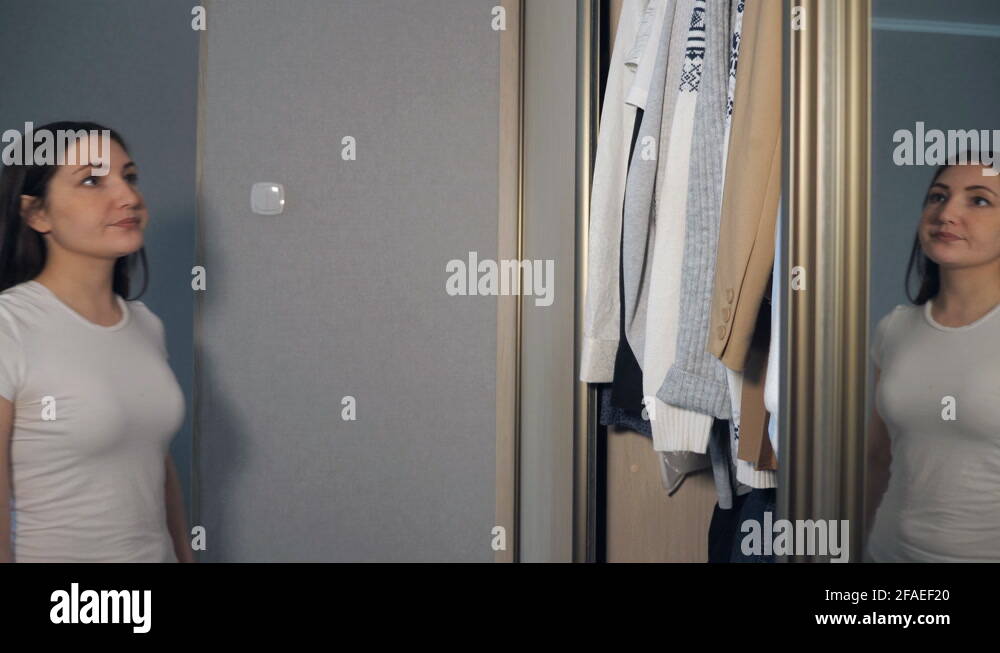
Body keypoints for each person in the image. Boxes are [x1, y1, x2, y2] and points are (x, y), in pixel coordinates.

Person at [0, 121, 191, 562]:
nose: (128, 196)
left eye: (129, 177)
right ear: (37, 214)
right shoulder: (10, 326)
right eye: (91, 180)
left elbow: (154, 468)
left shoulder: (146, 325)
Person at [865, 152, 1000, 562]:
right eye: (938, 197)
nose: (947, 212)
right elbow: (876, 459)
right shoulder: (895, 328)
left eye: (979, 200)